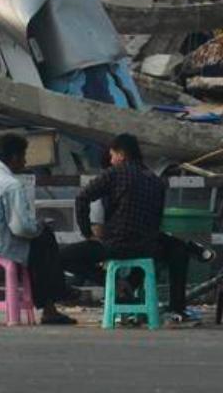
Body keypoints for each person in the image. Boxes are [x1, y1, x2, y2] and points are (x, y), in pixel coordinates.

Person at [63, 134, 184, 315]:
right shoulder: (156, 181)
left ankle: (113, 283)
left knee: (61, 256)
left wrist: (88, 233)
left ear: (121, 154)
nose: (111, 161)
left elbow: (82, 198)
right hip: (147, 247)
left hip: (116, 245)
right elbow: (157, 219)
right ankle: (174, 307)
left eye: (112, 156)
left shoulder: (116, 173)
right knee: (177, 248)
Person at [0, 134, 75, 325]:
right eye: (23, 156)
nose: (25, 162)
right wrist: (38, 227)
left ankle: (56, 296)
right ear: (15, 158)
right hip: (1, 247)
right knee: (45, 242)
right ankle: (50, 305)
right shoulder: (11, 186)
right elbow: (21, 229)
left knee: (41, 242)